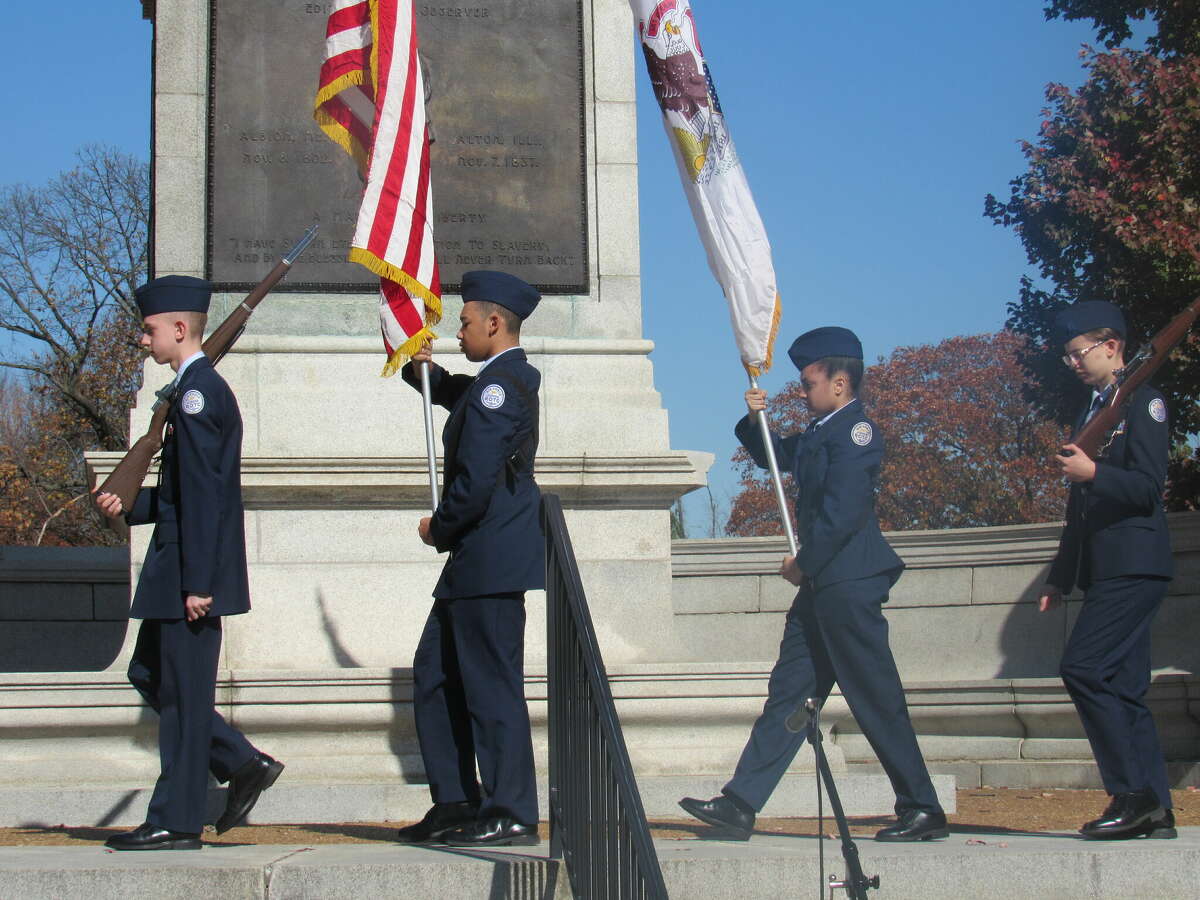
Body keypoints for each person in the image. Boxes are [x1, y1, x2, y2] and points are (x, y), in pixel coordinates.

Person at [679, 326, 947, 842]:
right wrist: (754, 418)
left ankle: (922, 806)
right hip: (822, 587)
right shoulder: (823, 432)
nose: (801, 392)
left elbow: (845, 513)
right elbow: (772, 457)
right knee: (788, 695)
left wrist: (806, 563)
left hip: (846, 581)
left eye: (807, 383)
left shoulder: (856, 433)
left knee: (874, 697)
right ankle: (741, 803)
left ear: (840, 384)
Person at [94, 275, 283, 850]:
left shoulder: (199, 395)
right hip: (175, 568)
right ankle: (240, 761)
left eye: (151, 330)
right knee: (151, 674)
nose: (144, 338)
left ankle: (175, 821)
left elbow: (207, 496)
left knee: (182, 697)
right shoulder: (188, 391)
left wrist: (199, 583)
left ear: (180, 330)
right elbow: (181, 494)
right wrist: (128, 503)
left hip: (186, 577)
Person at [395, 270, 544, 847]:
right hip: (476, 563)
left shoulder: (503, 385)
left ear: (494, 323)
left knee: (490, 688)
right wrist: (418, 369)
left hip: (488, 558)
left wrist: (441, 525)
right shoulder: (494, 384)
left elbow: (477, 479)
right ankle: (457, 801)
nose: (457, 331)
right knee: (435, 677)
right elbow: (459, 395)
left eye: (463, 322)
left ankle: (511, 809)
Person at [1037, 301, 1175, 840]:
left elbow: (1147, 488)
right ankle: (1157, 809)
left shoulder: (1144, 403)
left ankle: (1130, 794)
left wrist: (1093, 471)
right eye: (1067, 354)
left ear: (1112, 346)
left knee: (1084, 669)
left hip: (1134, 562)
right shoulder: (1095, 411)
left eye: (1079, 352)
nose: (1071, 362)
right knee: (1123, 688)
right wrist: (1059, 575)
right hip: (1104, 566)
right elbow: (1080, 512)